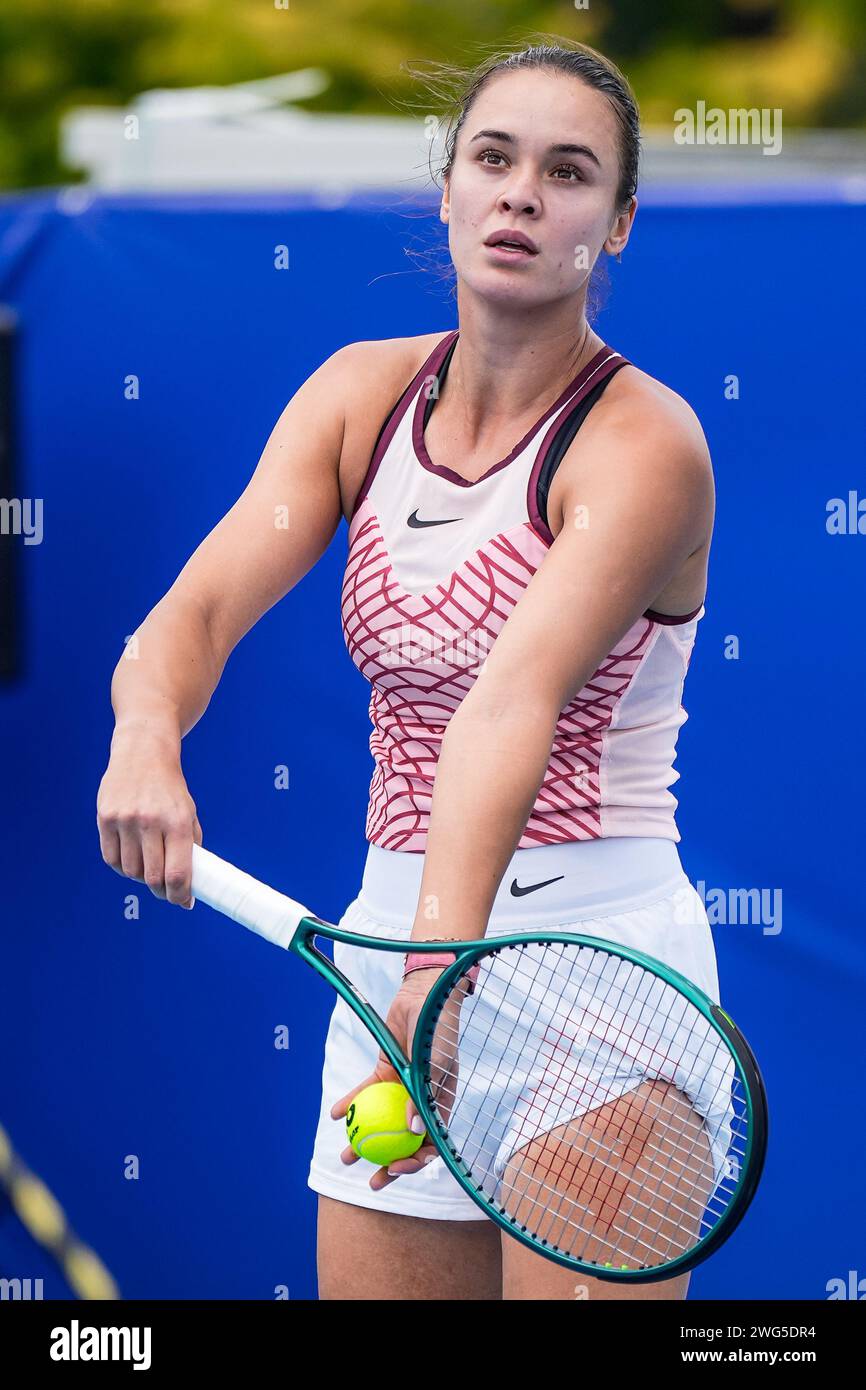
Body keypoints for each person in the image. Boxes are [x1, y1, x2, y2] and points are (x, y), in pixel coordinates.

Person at [97, 39, 719, 1301]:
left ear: (617, 224)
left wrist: (434, 978)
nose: (520, 195)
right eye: (491, 158)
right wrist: (142, 740)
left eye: (567, 172)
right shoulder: (356, 398)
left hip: (588, 982)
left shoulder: (647, 443)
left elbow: (511, 700)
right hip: (391, 951)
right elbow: (193, 616)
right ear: (446, 188)